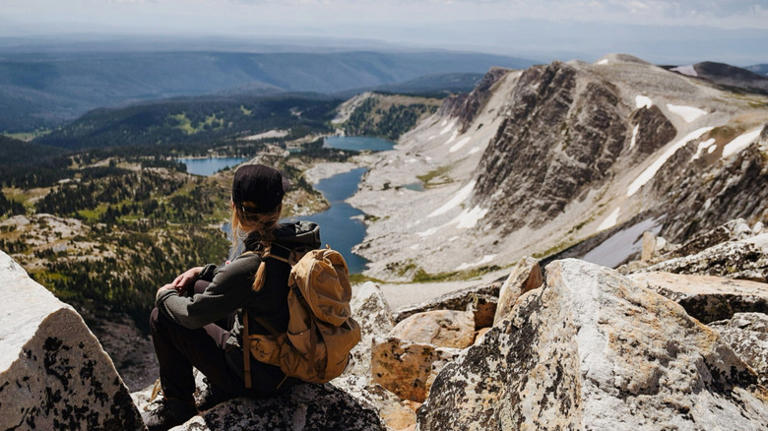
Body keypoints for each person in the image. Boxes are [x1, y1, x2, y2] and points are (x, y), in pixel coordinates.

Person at [142, 164, 321, 430]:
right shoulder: (299, 242)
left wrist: (164, 296)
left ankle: (178, 407)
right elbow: (246, 285)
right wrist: (202, 272)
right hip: (291, 362)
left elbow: (193, 316)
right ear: (279, 207)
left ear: (236, 208)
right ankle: (212, 388)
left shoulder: (252, 264)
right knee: (199, 285)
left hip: (259, 379)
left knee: (162, 317)